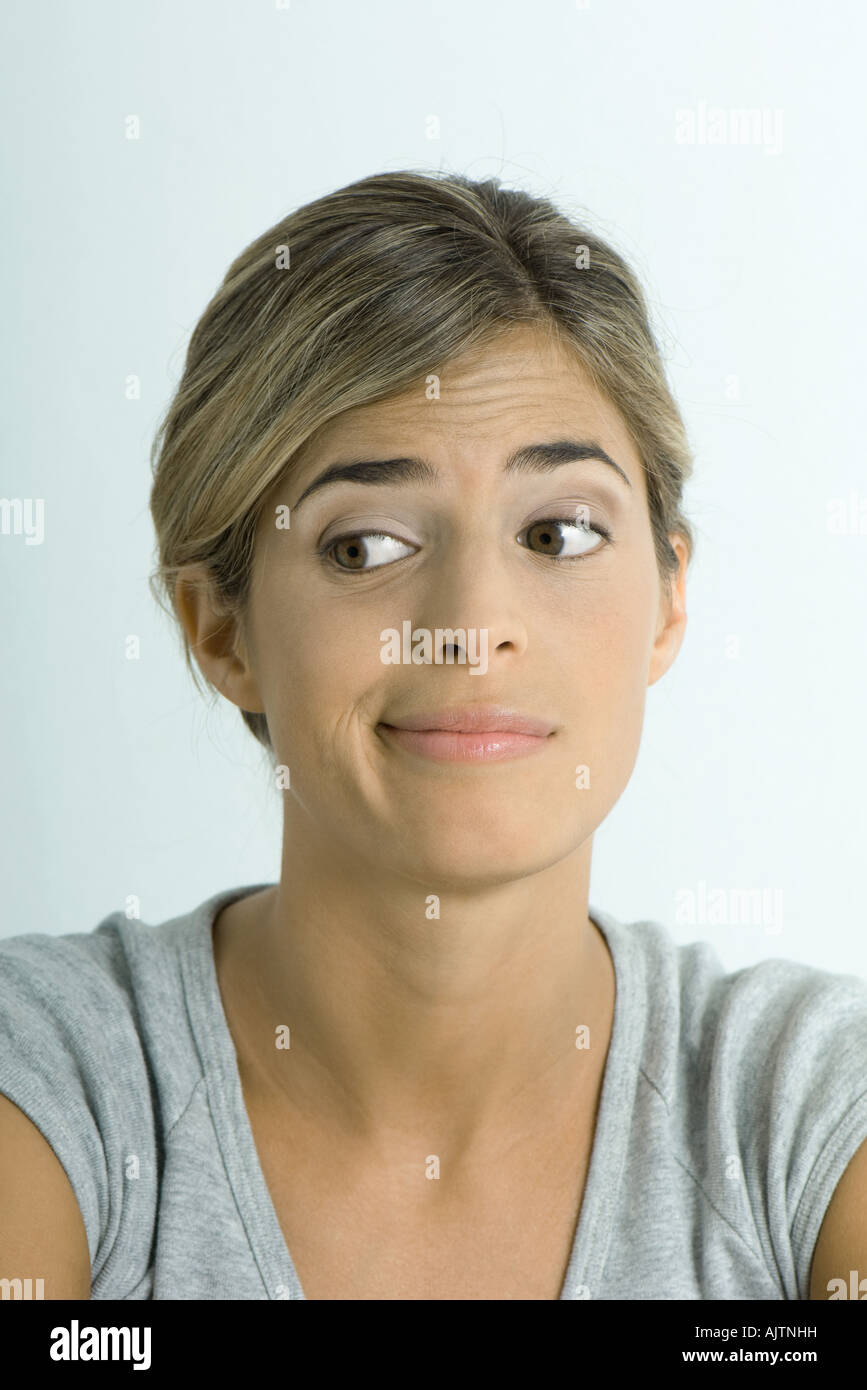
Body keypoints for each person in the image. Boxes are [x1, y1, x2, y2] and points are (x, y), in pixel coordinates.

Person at [2, 169, 866, 1301]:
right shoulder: (54, 1082)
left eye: (557, 532)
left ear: (668, 598)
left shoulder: (808, 1109)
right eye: (364, 545)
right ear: (221, 631)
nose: (469, 630)